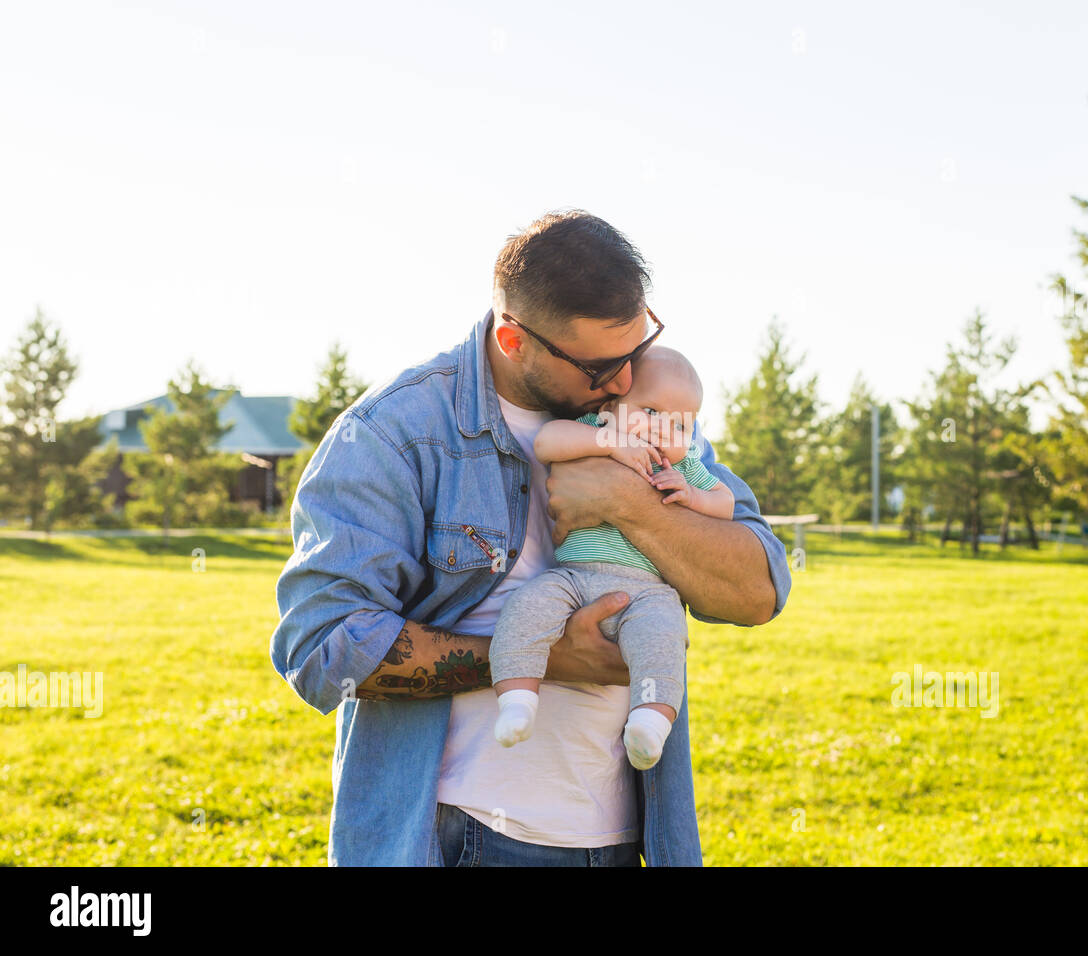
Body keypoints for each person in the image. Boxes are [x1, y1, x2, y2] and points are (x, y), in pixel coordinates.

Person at [270, 209, 791, 866]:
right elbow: (322, 650)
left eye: (635, 351)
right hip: (464, 839)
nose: (627, 382)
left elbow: (758, 591)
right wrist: (531, 657)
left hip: (630, 837)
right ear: (515, 342)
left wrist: (630, 504)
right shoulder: (394, 435)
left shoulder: (648, 412)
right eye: (601, 367)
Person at [491, 345, 734, 772]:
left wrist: (692, 495)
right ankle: (517, 700)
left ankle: (649, 724)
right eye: (651, 411)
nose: (662, 429)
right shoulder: (596, 429)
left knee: (663, 640)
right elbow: (547, 441)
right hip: (574, 577)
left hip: (647, 591)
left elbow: (725, 503)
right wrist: (610, 443)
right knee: (527, 608)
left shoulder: (683, 464)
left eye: (680, 423)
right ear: (611, 407)